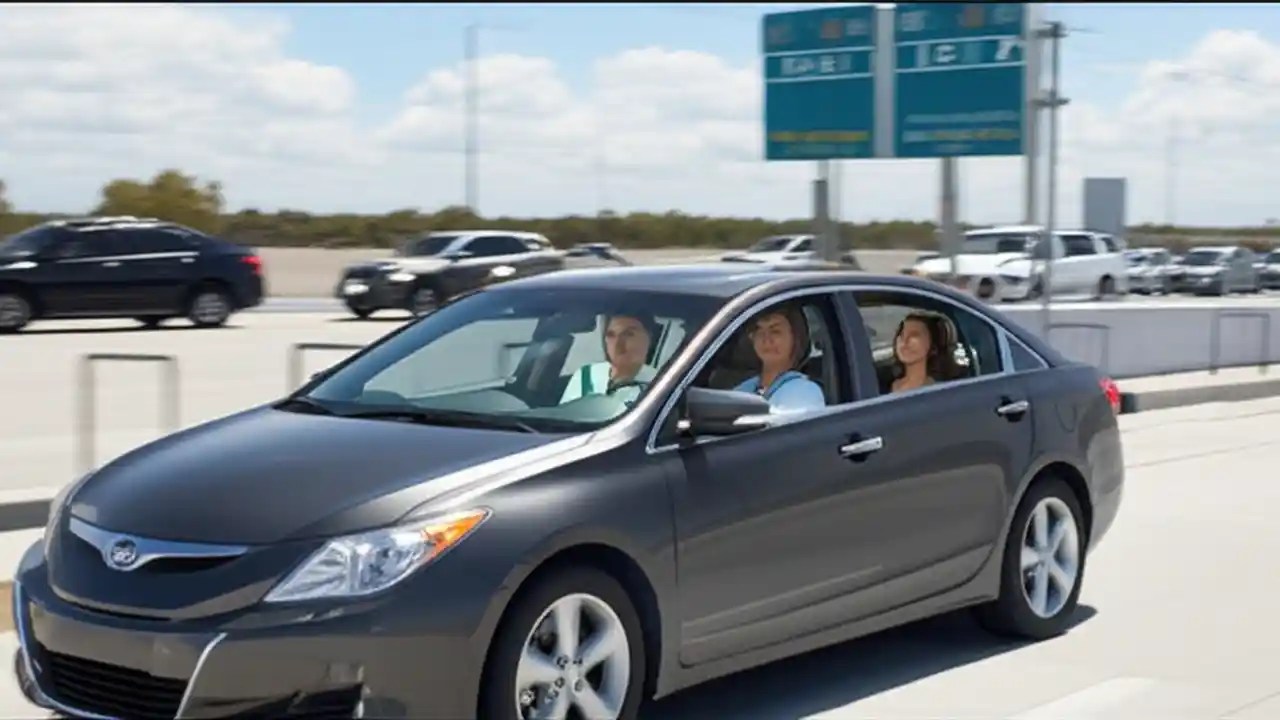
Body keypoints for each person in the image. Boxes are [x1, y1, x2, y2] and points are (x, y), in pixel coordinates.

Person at [733, 305, 826, 413]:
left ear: (795, 337)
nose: (766, 339)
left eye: (775, 331)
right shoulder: (743, 390)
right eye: (759, 330)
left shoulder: (804, 392)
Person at [560, 313, 659, 406]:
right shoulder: (585, 377)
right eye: (611, 335)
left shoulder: (660, 383)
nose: (618, 345)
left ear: (649, 338)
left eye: (629, 334)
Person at [890, 310, 960, 393]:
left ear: (933, 347)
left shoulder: (938, 391)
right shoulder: (893, 385)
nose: (905, 341)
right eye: (901, 334)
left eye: (914, 335)